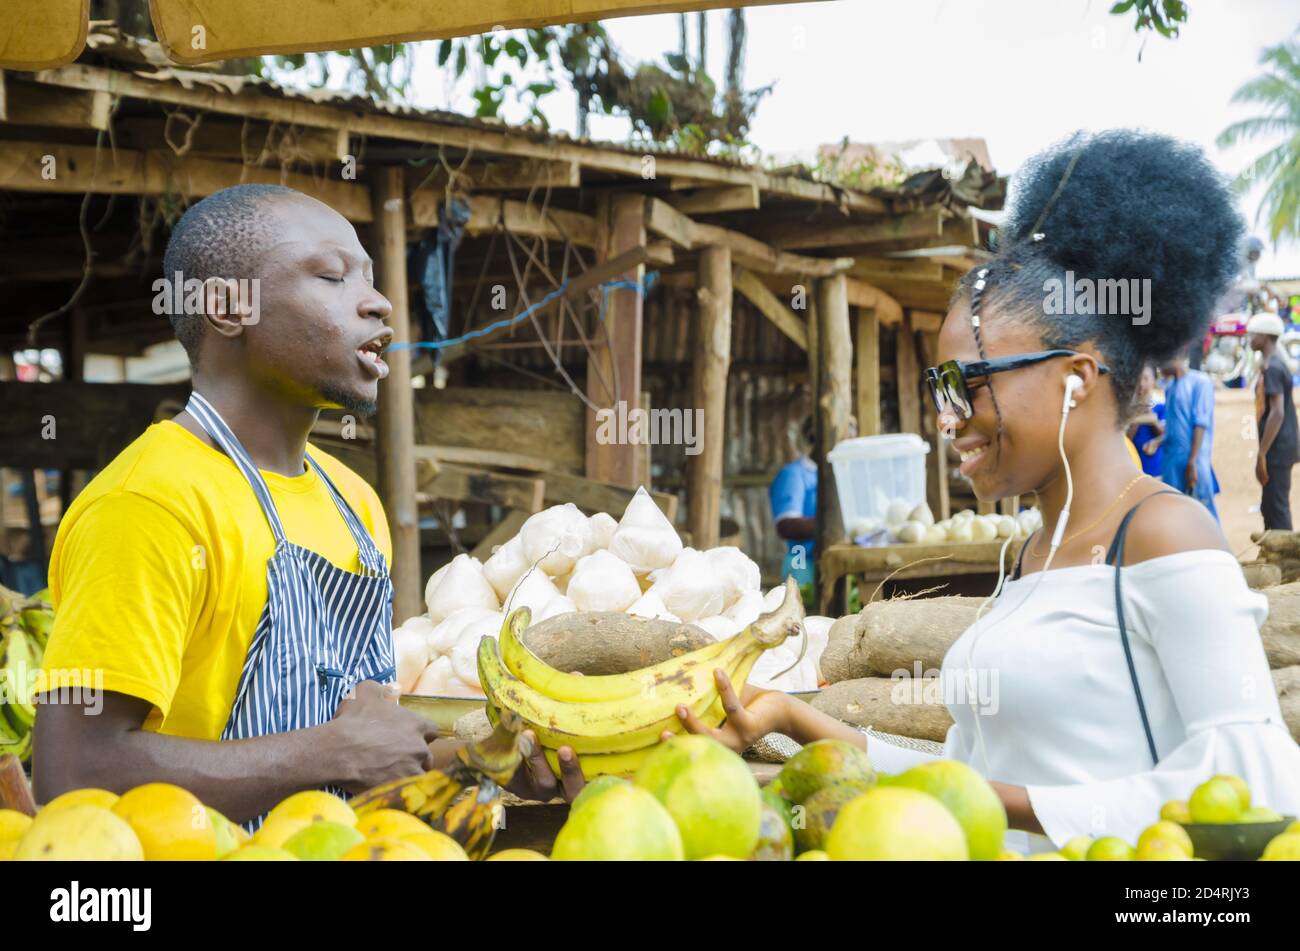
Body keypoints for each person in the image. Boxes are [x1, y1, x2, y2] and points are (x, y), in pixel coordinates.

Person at [675, 131, 1300, 851]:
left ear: (1077, 376)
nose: (947, 417)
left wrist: (1001, 803)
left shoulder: (1166, 532)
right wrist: (789, 717)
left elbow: (1251, 781)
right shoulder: (1026, 558)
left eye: (966, 385)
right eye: (939, 387)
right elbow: (965, 777)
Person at [34, 185, 582, 823]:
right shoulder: (148, 505)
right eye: (332, 276)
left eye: (372, 281)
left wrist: (486, 762)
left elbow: (360, 760)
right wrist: (328, 753)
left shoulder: (352, 498)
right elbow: (72, 772)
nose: (378, 303)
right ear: (226, 308)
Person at [1248, 311, 1300, 529]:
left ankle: (1286, 560)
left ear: (1265, 337)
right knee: (1270, 505)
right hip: (1279, 447)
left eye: (1253, 335)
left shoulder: (1273, 369)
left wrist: (1262, 454)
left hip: (1277, 449)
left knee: (1276, 508)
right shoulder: (1272, 365)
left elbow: (1277, 413)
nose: (1250, 339)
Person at [1159, 352, 1221, 520]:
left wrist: (1192, 461)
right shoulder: (1170, 387)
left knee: (1203, 513)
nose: (1159, 367)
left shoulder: (1200, 382)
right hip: (1172, 462)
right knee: (1175, 511)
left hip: (1194, 462)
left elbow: (1200, 423)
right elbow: (1172, 425)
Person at [769, 416, 817, 596]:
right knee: (804, 620)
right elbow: (786, 525)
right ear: (815, 435)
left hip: (828, 563)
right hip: (803, 562)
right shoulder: (794, 474)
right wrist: (832, 525)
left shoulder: (843, 472)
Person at [1127, 364, 1166, 478]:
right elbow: (1126, 439)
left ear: (1154, 380)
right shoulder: (1129, 405)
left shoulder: (1160, 404)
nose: (1141, 383)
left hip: (1155, 467)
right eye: (1138, 379)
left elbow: (1166, 435)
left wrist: (1153, 421)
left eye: (1146, 378)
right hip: (1133, 466)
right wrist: (1140, 417)